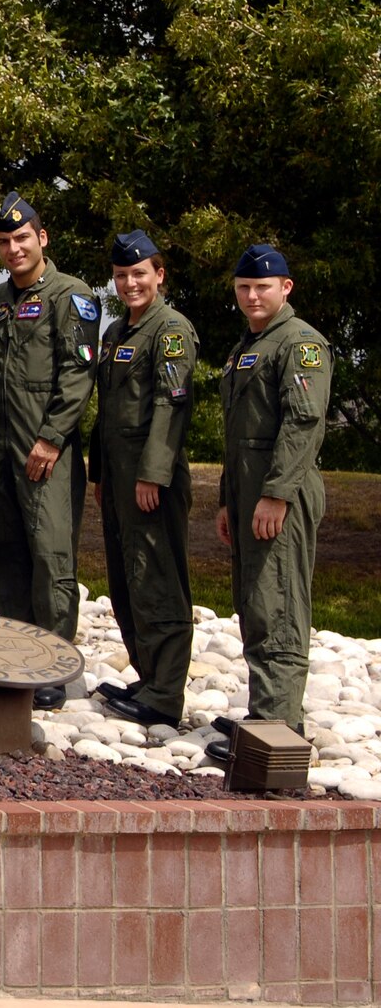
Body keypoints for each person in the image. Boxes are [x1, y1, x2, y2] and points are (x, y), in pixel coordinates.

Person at [208, 244, 331, 761]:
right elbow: (241, 436)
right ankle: (267, 714)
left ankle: (278, 734)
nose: (252, 295)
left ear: (286, 288)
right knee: (256, 603)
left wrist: (276, 495)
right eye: (244, 287)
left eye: (263, 286)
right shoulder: (250, 344)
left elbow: (302, 423)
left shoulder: (300, 343)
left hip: (281, 493)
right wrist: (226, 502)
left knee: (276, 605)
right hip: (248, 493)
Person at [0, 191, 98, 708]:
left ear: (41, 238)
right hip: (2, 445)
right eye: (4, 241)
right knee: (5, 552)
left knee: (51, 556)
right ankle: (17, 650)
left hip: (47, 448)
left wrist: (51, 437)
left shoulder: (71, 296)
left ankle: (54, 666)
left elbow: (78, 373)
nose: (13, 248)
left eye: (22, 237)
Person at [89, 229, 198, 728]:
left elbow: (170, 407)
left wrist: (153, 474)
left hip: (151, 479)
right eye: (120, 276)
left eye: (139, 274)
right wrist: (99, 473)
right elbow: (106, 410)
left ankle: (166, 695)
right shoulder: (115, 334)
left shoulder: (170, 331)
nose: (130, 284)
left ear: (159, 275)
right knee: (127, 576)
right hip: (118, 477)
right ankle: (147, 676)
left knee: (157, 578)